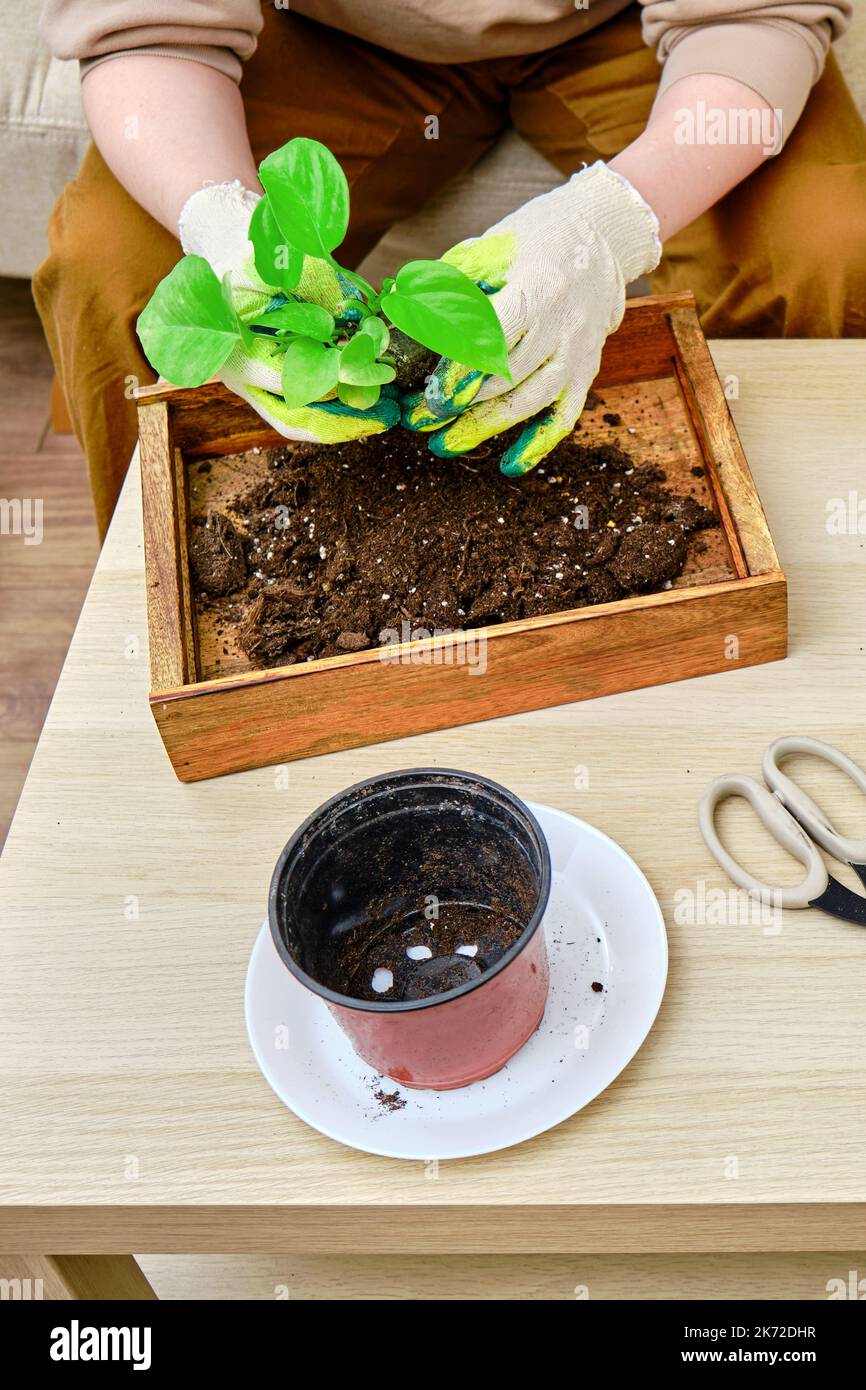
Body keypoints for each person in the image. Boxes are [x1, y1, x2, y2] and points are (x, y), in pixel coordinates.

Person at [35, 1, 861, 537]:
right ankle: (174, 587)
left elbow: (758, 12)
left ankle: (797, 561)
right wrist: (222, 223)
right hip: (318, 33)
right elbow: (144, 18)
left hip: (635, 28)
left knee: (829, 249)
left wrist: (606, 224)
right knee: (114, 269)